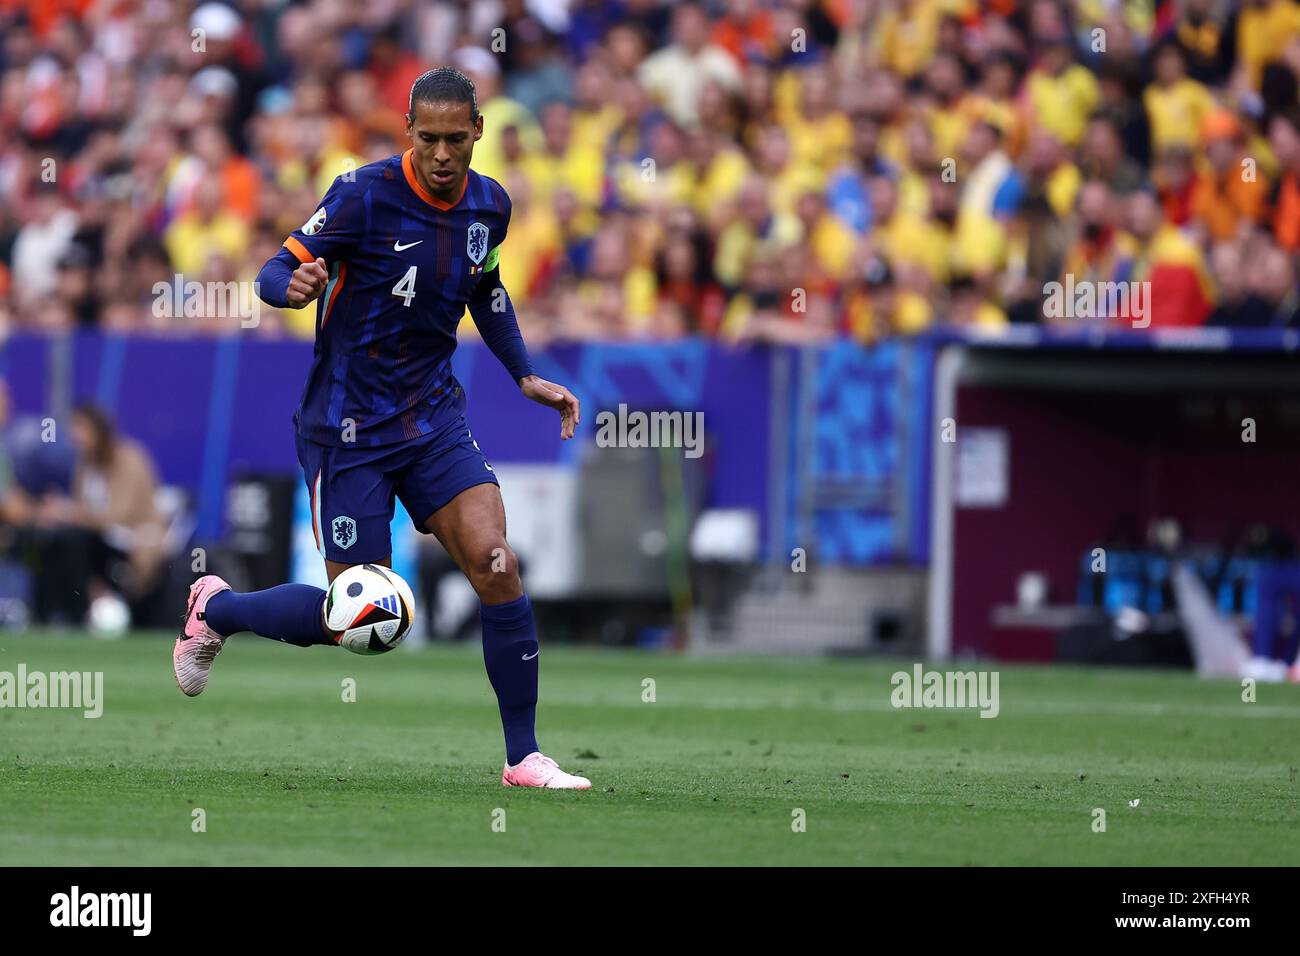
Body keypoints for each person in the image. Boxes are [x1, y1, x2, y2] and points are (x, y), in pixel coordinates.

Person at [172, 67, 592, 790]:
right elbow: (277, 268)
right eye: (426, 138)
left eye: (454, 139)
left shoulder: (490, 204)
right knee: (358, 619)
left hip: (432, 419)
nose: (439, 153)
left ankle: (522, 756)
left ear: (477, 134)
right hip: (347, 429)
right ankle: (219, 608)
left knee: (497, 563)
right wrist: (289, 286)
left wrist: (523, 372)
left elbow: (485, 289)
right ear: (409, 131)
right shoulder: (363, 196)